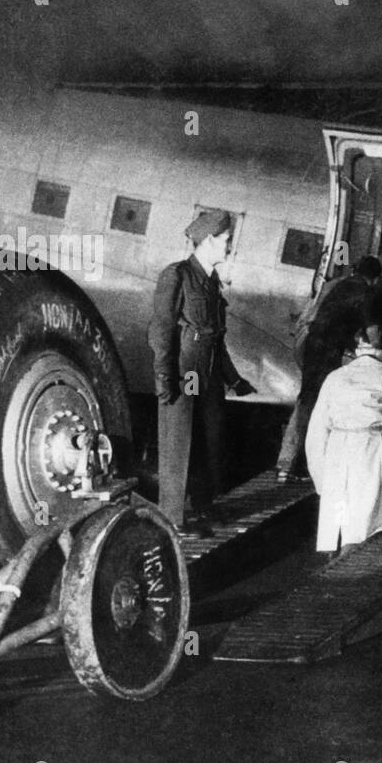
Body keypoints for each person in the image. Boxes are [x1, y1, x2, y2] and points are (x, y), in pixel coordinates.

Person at [148, 209, 256, 538]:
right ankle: (174, 519)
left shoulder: (210, 283)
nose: (229, 246)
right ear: (209, 240)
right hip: (187, 373)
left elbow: (215, 338)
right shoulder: (178, 275)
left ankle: (203, 508)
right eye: (226, 240)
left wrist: (233, 379)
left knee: (210, 440)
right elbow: (161, 329)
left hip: (207, 374)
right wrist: (164, 377)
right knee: (181, 440)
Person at [305, 324, 382, 555]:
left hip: (336, 449)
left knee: (337, 518)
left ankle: (333, 559)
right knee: (366, 522)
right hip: (369, 447)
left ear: (356, 348)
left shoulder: (334, 377)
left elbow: (316, 434)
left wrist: (321, 480)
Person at [277, 255, 382, 483]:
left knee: (307, 399)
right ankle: (301, 465)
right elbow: (374, 334)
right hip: (326, 350)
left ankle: (286, 464)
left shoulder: (336, 284)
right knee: (317, 405)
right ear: (374, 279)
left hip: (309, 343)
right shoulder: (364, 293)